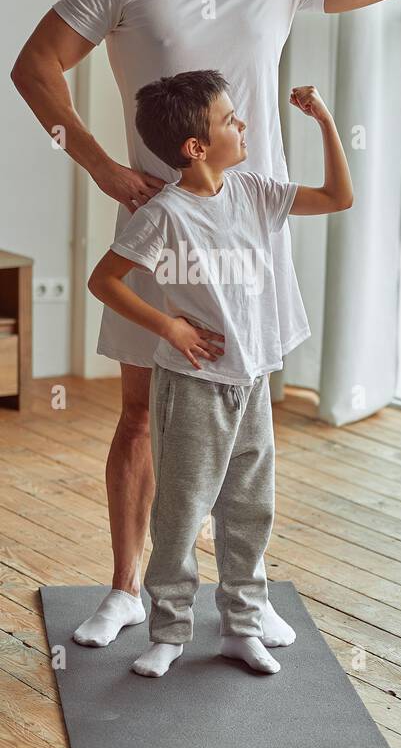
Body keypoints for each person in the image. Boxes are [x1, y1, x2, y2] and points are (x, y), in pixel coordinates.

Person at [10, 0, 401, 650]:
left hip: (251, 230)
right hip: (160, 227)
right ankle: (126, 589)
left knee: (247, 415)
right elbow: (35, 67)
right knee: (138, 415)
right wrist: (100, 166)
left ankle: (242, 595)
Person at [80, 69, 353, 678]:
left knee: (249, 510)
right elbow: (103, 281)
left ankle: (241, 627)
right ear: (195, 147)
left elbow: (339, 198)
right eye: (231, 120)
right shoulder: (164, 213)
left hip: (250, 384)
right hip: (192, 387)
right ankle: (169, 632)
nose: (243, 124)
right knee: (181, 513)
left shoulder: (254, 192)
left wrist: (326, 122)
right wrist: (169, 328)